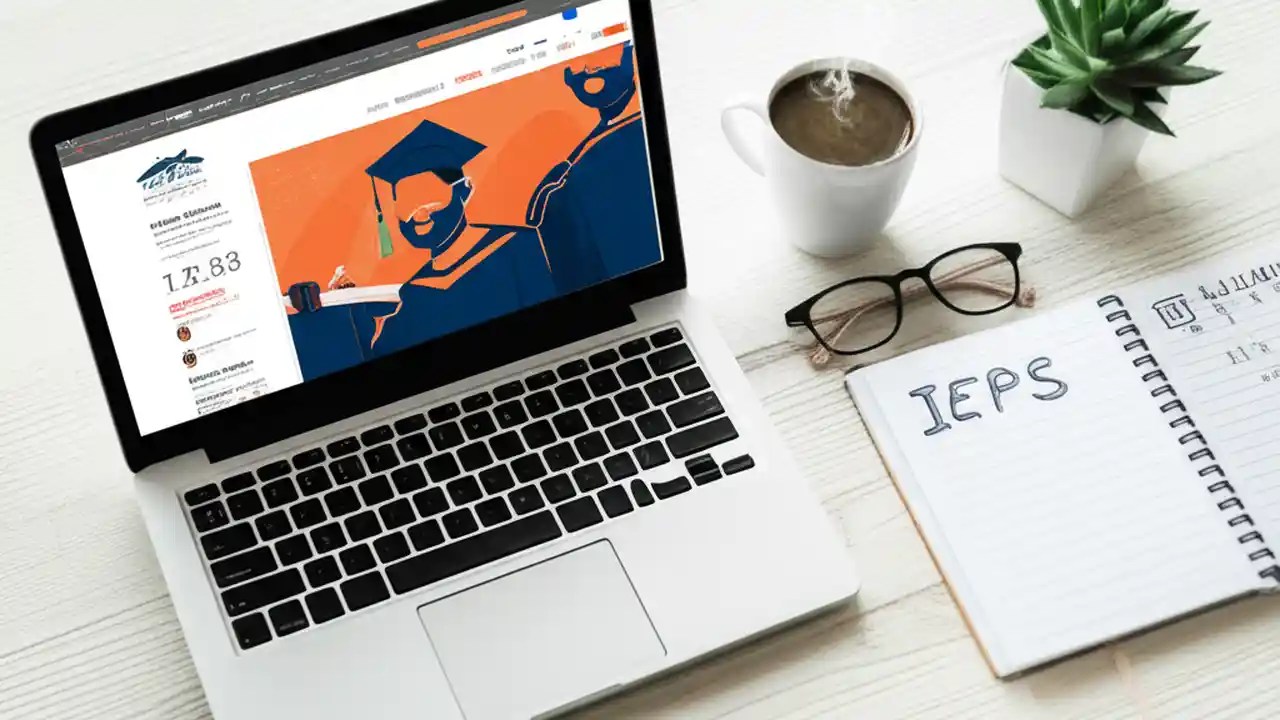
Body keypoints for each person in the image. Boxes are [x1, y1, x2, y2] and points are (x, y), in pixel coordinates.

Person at [287, 119, 557, 380]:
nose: (417, 215)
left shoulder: (514, 246)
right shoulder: (416, 292)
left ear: (465, 191)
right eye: (405, 204)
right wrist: (342, 301)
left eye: (429, 198)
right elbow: (379, 359)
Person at [527, 42, 661, 296]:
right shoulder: (570, 171)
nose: (590, 69)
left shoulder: (640, 138)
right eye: (575, 64)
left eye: (602, 50)